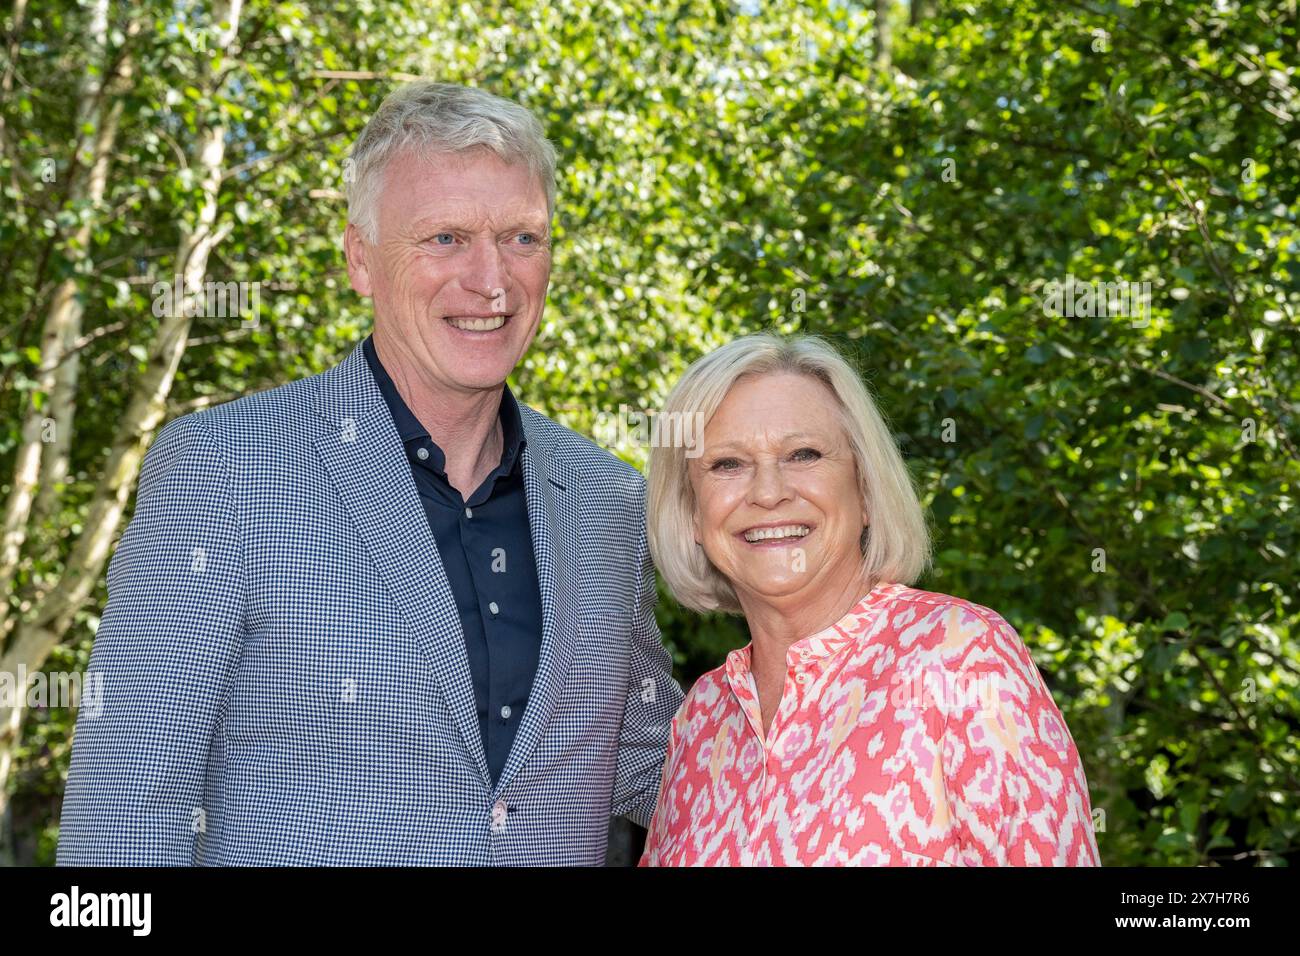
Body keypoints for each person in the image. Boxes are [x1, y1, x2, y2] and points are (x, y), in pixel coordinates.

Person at [57, 81, 683, 866]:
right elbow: (122, 814)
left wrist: (854, 695)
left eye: (523, 238)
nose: (492, 280)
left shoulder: (607, 500)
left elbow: (663, 763)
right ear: (361, 260)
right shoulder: (224, 470)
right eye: (446, 238)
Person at [639, 333, 1100, 866]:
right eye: (727, 464)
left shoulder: (962, 660)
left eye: (803, 454)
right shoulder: (701, 718)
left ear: (865, 490)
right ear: (692, 513)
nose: (768, 492)